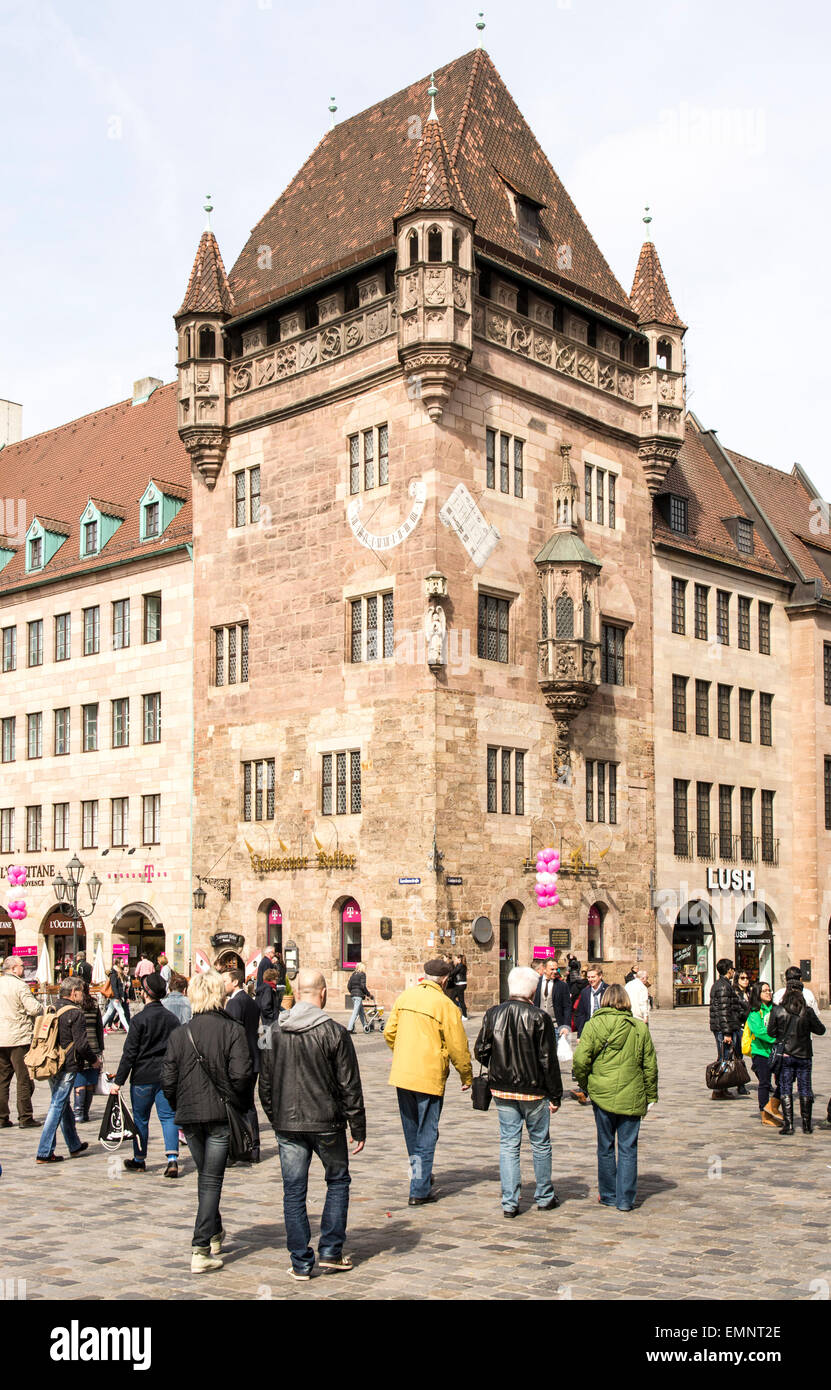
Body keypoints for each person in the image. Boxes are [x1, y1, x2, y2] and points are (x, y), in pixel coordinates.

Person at [259, 968, 366, 1281]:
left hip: (288, 1124)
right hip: (327, 1122)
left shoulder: (270, 1030)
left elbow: (264, 1084)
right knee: (337, 1180)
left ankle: (301, 1262)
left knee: (294, 1192)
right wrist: (357, 1126)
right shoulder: (334, 1032)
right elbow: (350, 1085)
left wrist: (275, 1116)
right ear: (322, 994)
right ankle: (331, 1250)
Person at [161, 970, 253, 1273]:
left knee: (206, 1176)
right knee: (211, 1179)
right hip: (218, 1115)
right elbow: (242, 1076)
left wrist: (180, 1106)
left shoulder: (179, 1034)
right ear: (219, 995)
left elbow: (168, 1082)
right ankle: (200, 1248)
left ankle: (214, 1234)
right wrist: (234, 1100)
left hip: (190, 1115)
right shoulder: (233, 1030)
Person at [474, 965, 563, 1217]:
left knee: (509, 1145)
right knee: (540, 1143)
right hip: (534, 1091)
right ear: (532, 991)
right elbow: (548, 1061)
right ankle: (544, 1195)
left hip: (502, 1090)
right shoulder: (539, 1017)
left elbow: (480, 1050)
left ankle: (510, 1202)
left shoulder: (493, 1014)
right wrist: (555, 1095)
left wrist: (498, 1064)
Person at [384, 958, 472, 1206]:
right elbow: (458, 1047)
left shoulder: (406, 997)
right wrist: (466, 1075)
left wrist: (402, 1052)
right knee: (426, 1133)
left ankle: (419, 1177)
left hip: (403, 1073)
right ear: (445, 980)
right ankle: (419, 1189)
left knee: (412, 1132)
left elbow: (389, 1032)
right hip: (429, 1075)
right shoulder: (446, 1005)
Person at [572, 982, 658, 1212]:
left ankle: (609, 1194)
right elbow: (650, 1066)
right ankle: (625, 1200)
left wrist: (585, 1083)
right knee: (628, 1148)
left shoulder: (594, 1025)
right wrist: (651, 1096)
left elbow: (580, 1060)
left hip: (602, 1093)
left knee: (605, 1146)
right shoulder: (639, 1028)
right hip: (633, 1094)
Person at [110, 972, 182, 1176]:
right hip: (166, 1075)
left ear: (146, 993)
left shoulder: (139, 1019)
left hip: (142, 1076)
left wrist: (118, 1081)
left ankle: (139, 1159)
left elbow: (129, 1053)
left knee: (141, 1119)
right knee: (168, 1117)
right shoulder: (172, 1019)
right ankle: (172, 1159)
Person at [35, 976, 100, 1163]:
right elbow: (81, 1045)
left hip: (51, 1061)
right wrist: (94, 1060)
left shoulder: (51, 1008)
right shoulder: (75, 1013)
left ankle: (74, 1144)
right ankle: (44, 1151)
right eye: (80, 992)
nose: (82, 995)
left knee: (63, 1104)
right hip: (68, 1064)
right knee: (57, 1105)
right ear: (73, 992)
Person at [766, 979, 826, 1135]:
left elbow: (771, 1032)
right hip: (804, 1055)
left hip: (785, 1055)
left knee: (786, 1087)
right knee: (805, 1088)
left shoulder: (778, 1010)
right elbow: (821, 1030)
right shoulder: (807, 1011)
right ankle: (806, 1126)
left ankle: (789, 1125)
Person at [0, 954, 44, 1128]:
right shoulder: (20, 986)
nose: (23, 969)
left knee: (3, 1080)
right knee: (24, 1079)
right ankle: (25, 1116)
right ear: (13, 969)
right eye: (21, 966)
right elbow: (33, 1009)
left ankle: (2, 1118)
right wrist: (42, 1007)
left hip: (1, 1038)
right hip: (18, 1038)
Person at [223, 969, 261, 1162]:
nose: (223, 985)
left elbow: (233, 1034)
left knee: (240, 1105)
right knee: (248, 1104)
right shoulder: (250, 1001)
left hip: (241, 1061)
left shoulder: (235, 1003)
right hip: (253, 1059)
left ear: (235, 982)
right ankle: (252, 1146)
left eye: (225, 981)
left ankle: (244, 1146)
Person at [709, 958, 748, 1098]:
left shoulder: (723, 985)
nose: (733, 971)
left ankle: (723, 1087)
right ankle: (718, 1089)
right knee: (724, 1057)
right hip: (723, 1029)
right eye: (732, 968)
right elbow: (724, 1012)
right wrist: (727, 1032)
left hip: (725, 1027)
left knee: (726, 1056)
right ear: (729, 970)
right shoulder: (723, 987)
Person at [745, 982, 781, 1127]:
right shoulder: (754, 1013)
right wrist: (776, 1038)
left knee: (784, 1082)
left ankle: (772, 1106)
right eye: (764, 991)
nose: (768, 993)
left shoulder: (777, 1010)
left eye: (769, 990)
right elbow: (759, 1032)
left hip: (777, 1052)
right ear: (758, 994)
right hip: (760, 1052)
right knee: (765, 1083)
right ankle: (764, 1114)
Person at [572, 967, 607, 1103]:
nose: (591, 980)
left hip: (604, 1031)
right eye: (589, 977)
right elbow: (580, 1013)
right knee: (586, 1060)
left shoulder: (608, 990)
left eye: (593, 977)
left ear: (600, 976)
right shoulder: (586, 992)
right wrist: (580, 1034)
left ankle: (599, 1090)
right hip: (589, 1031)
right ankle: (584, 1090)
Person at [72, 979, 105, 1124]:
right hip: (94, 1045)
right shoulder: (94, 1004)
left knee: (79, 1078)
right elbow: (99, 1027)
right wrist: (100, 1048)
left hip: (79, 1045)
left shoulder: (75, 1006)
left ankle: (78, 1112)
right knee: (91, 1079)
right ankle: (85, 1112)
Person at [534, 958, 571, 1035]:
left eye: (556, 969)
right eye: (552, 969)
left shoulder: (562, 986)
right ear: (544, 969)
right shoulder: (535, 982)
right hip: (538, 1026)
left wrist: (566, 1026)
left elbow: (567, 1007)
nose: (555, 972)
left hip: (556, 1027)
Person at [102, 959, 131, 1034]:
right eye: (121, 962)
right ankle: (128, 1029)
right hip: (115, 997)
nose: (123, 963)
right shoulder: (114, 973)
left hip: (116, 997)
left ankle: (99, 1026)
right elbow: (114, 986)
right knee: (121, 1012)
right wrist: (117, 996)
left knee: (109, 1013)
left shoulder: (119, 973)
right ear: (118, 963)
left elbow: (121, 986)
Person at [447, 954, 469, 1019]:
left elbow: (453, 973)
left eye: (456, 959)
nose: (455, 960)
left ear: (459, 959)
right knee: (452, 998)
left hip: (460, 985)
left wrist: (447, 974)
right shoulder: (460, 966)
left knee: (460, 1000)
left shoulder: (460, 966)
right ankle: (462, 1009)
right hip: (460, 984)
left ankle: (464, 1015)